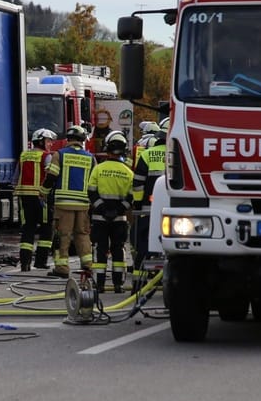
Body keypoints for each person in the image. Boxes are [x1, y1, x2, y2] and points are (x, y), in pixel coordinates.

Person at [43, 125, 96, 278]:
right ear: (82, 140)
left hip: (63, 204)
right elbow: (93, 182)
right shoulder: (90, 158)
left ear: (68, 139)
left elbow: (51, 177)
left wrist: (43, 192)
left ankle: (62, 268)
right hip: (83, 204)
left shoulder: (59, 155)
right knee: (82, 234)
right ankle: (87, 266)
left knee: (63, 236)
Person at [88, 131, 133, 293]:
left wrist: (102, 209)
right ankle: (118, 285)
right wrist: (118, 210)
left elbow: (91, 192)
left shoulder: (98, 169)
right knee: (118, 250)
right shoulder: (128, 172)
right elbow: (131, 197)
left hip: (99, 218)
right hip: (119, 219)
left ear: (107, 150)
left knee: (100, 250)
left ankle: (99, 284)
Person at [14, 128, 56, 272]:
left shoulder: (23, 155)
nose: (50, 144)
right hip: (41, 197)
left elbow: (15, 178)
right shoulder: (46, 156)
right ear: (41, 141)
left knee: (28, 229)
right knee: (46, 229)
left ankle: (25, 263)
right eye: (48, 141)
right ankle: (40, 261)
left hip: (24, 198)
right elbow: (51, 176)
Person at [132, 117, 168, 277]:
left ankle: (138, 280)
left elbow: (138, 183)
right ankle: (162, 277)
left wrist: (138, 203)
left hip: (148, 209)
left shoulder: (147, 155)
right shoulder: (182, 154)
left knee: (144, 245)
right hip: (176, 211)